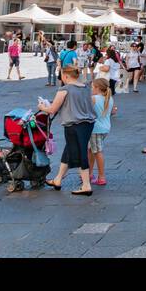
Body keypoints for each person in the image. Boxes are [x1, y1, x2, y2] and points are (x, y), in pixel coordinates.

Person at [39, 65, 97, 195]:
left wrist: (42, 107)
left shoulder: (64, 89)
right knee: (69, 150)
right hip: (88, 124)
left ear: (65, 76)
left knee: (81, 153)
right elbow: (91, 102)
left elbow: (52, 110)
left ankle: (86, 185)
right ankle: (58, 179)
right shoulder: (86, 87)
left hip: (74, 125)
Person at [89, 77, 116, 186]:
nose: (91, 90)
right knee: (91, 150)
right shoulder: (109, 98)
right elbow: (113, 111)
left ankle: (101, 176)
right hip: (105, 127)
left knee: (97, 151)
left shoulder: (94, 98)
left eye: (92, 87)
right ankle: (89, 173)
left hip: (96, 128)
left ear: (97, 88)